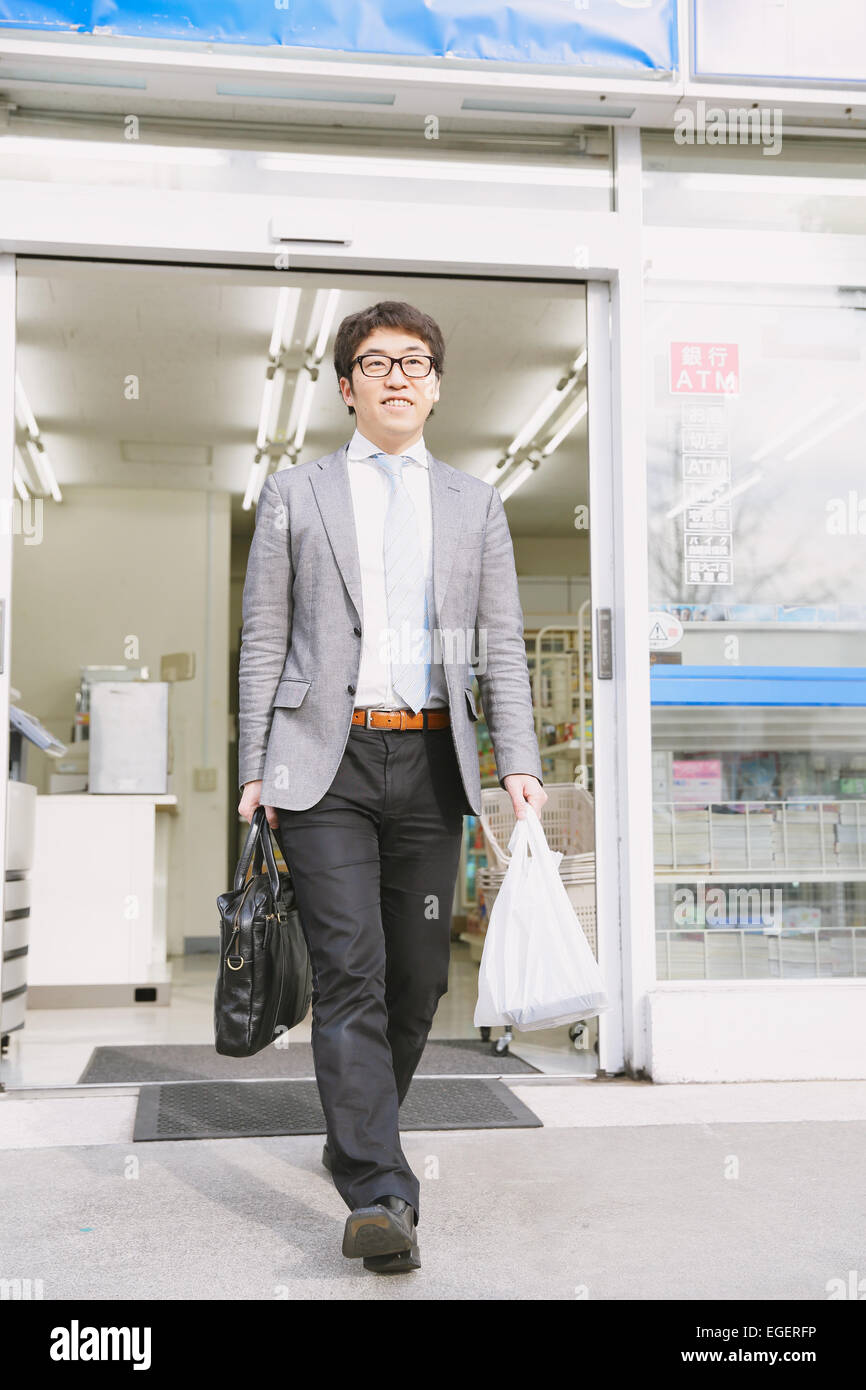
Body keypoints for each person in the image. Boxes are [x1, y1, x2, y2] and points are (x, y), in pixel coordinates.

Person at [237, 299, 546, 1274]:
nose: (397, 376)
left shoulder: (474, 503)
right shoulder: (295, 493)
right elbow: (262, 639)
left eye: (415, 362)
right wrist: (254, 767)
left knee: (417, 979)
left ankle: (350, 1134)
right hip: (322, 761)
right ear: (345, 387)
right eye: (376, 363)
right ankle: (378, 1186)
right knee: (351, 972)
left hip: (427, 763)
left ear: (438, 385)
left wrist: (518, 759)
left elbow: (498, 642)